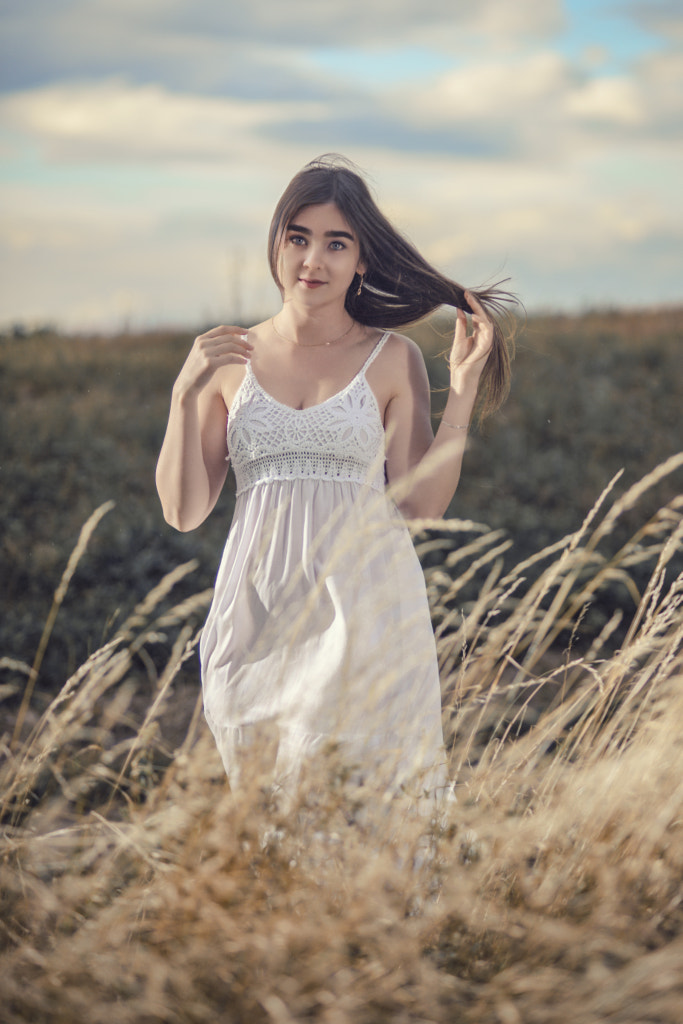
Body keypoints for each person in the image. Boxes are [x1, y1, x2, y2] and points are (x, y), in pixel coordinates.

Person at [156, 154, 514, 805]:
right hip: (255, 621)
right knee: (272, 831)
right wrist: (184, 395)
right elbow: (183, 511)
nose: (311, 260)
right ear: (276, 244)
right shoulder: (225, 361)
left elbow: (420, 506)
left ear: (362, 261)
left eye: (335, 243)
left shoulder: (391, 359)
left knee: (367, 819)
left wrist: (459, 394)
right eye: (297, 237)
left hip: (367, 617)